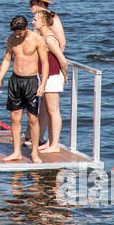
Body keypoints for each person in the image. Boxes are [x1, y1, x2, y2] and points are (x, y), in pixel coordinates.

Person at [0, 15, 47, 163]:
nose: (17, 35)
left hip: (31, 81)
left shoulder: (37, 39)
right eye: (15, 33)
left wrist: (42, 84)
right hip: (15, 80)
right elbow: (7, 59)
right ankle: (16, 151)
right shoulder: (11, 39)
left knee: (32, 118)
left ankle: (34, 153)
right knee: (14, 117)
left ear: (26, 28)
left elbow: (45, 62)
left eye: (20, 33)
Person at [35, 11, 67, 155]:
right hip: (45, 77)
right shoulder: (42, 36)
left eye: (35, 20)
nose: (33, 22)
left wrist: (65, 76)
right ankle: (49, 141)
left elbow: (62, 59)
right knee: (48, 110)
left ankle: (55, 144)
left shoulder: (49, 38)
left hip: (53, 76)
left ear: (43, 22)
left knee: (54, 111)